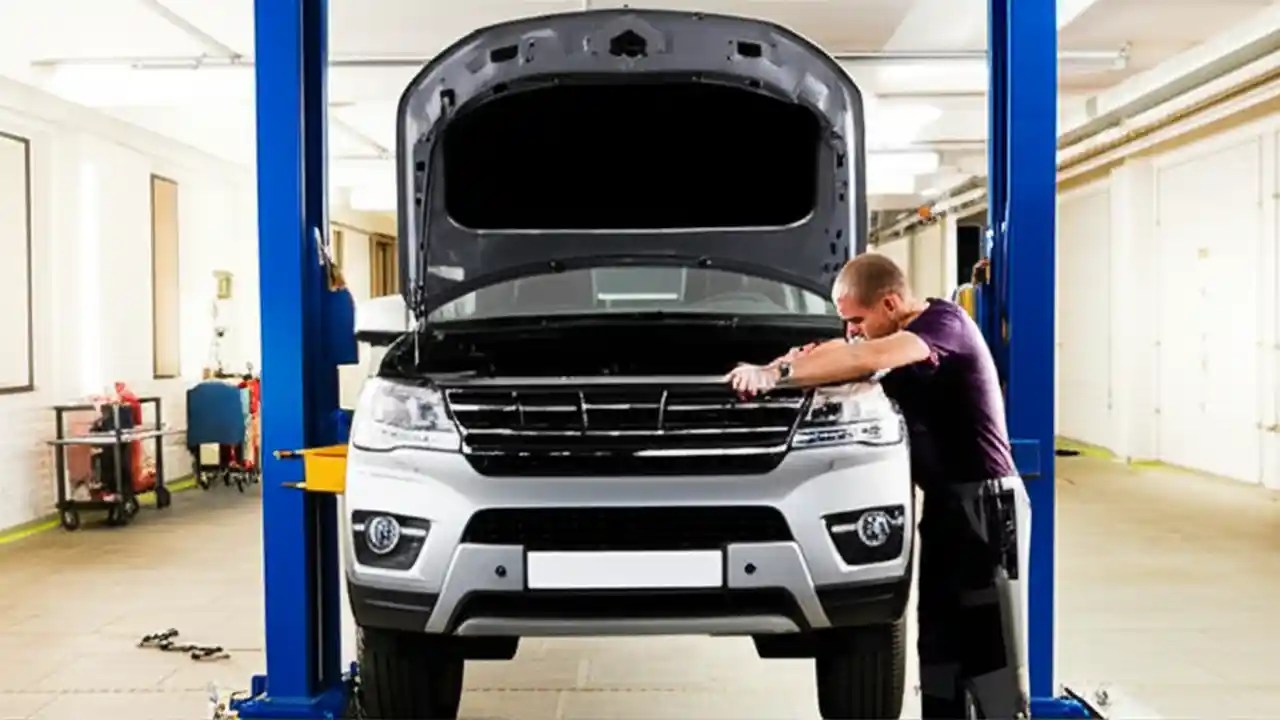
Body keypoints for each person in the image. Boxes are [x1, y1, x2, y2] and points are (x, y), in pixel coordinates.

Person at [725, 253, 1030, 719]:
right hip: (947, 509)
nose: (852, 331)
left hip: (986, 507)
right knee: (940, 644)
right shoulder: (890, 334)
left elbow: (869, 355)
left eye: (857, 319)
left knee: (989, 656)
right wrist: (774, 365)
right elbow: (837, 352)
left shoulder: (942, 326)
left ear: (889, 304)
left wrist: (776, 375)